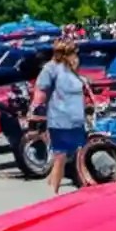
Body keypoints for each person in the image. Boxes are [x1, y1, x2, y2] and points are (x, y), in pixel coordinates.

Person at [33, 40, 88, 194]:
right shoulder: (51, 68)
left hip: (76, 120)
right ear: (65, 54)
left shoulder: (72, 70)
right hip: (60, 119)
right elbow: (41, 91)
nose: (76, 57)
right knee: (61, 156)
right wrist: (35, 111)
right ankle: (53, 193)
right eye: (73, 53)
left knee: (78, 155)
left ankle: (56, 186)